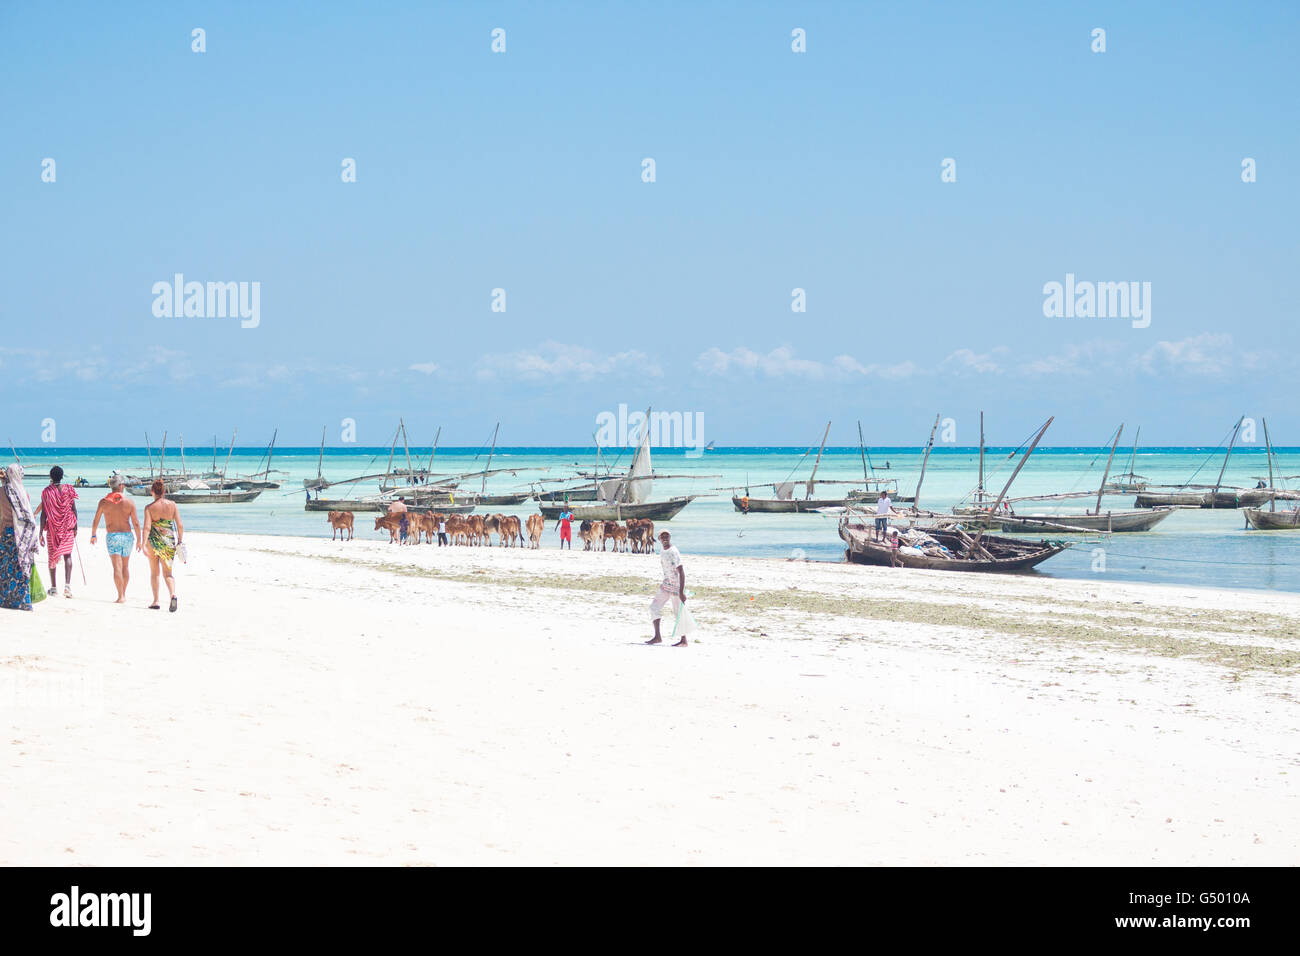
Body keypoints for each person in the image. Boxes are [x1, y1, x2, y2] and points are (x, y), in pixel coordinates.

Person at [90, 476, 142, 603]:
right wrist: (139, 539)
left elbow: (96, 519)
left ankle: (121, 596)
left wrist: (93, 534)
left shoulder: (104, 502)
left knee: (117, 568)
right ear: (121, 486)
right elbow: (135, 523)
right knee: (125, 566)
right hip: (127, 536)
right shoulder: (129, 502)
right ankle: (123, 593)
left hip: (113, 536)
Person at [1, 464, 40, 611]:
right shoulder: (24, 494)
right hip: (22, 536)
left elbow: (3, 516)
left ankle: (5, 600)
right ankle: (23, 601)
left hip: (7, 534)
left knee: (6, 568)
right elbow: (28, 518)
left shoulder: (1, 492)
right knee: (21, 567)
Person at [647, 531, 694, 647]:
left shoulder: (674, 551)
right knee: (654, 607)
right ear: (659, 539)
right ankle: (657, 637)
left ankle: (684, 640)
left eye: (666, 536)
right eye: (662, 536)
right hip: (666, 584)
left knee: (678, 613)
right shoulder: (663, 550)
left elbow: (681, 571)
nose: (665, 538)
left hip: (676, 587)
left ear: (670, 537)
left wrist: (682, 592)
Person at [37, 466, 78, 597]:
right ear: (62, 476)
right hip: (67, 527)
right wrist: (75, 526)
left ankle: (54, 588)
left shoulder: (46, 492)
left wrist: (40, 532)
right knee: (68, 555)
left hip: (53, 529)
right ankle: (67, 587)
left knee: (52, 556)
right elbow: (74, 509)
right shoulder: (68, 489)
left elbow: (44, 514)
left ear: (51, 476)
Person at [142, 479, 183, 612]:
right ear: (164, 491)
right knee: (168, 574)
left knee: (155, 573)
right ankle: (173, 595)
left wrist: (143, 543)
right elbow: (180, 526)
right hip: (168, 542)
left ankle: (156, 601)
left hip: (153, 543)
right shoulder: (173, 505)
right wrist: (180, 541)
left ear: (152, 492)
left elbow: (147, 528)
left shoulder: (149, 508)